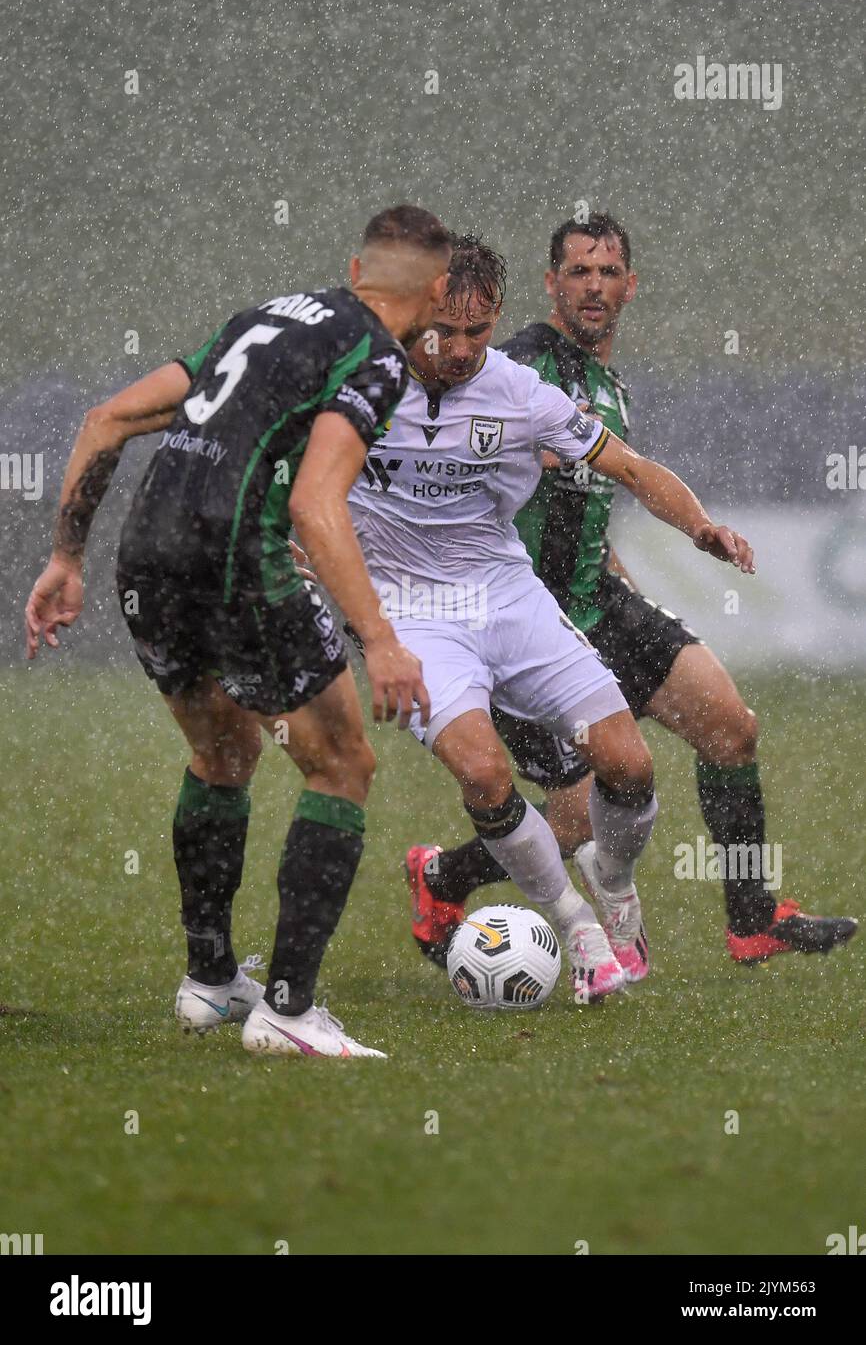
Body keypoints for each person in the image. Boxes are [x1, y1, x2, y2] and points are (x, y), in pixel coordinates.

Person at [24, 204, 452, 1058]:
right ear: (438, 292)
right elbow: (315, 501)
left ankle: (211, 982)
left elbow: (107, 418)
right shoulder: (374, 356)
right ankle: (290, 1013)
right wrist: (381, 641)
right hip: (230, 561)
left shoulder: (263, 318)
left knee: (223, 757)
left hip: (147, 554)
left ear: (355, 266)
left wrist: (66, 557)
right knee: (341, 765)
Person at [414, 214, 857, 970]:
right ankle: (443, 877)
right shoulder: (517, 361)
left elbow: (594, 495)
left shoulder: (608, 384)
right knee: (575, 820)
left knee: (731, 726)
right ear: (551, 283)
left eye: (608, 272)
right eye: (578, 272)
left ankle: (751, 919)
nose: (594, 287)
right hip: (525, 613)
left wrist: (649, 563)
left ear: (630, 285)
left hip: (598, 599)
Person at [346, 236, 754, 1003]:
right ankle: (578, 928)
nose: (463, 349)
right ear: (415, 313)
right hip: (414, 617)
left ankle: (614, 879)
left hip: (508, 595)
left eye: (480, 330)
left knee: (629, 766)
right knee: (483, 771)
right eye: (446, 330)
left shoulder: (519, 391)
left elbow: (631, 469)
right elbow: (286, 472)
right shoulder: (357, 386)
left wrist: (702, 529)